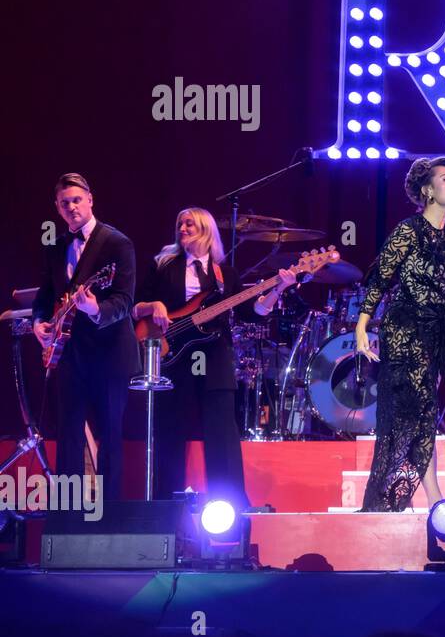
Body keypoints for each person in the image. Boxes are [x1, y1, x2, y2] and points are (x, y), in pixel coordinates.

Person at [354, 157, 445, 511]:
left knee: (414, 417)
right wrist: (361, 326)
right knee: (423, 411)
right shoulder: (409, 230)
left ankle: (389, 498)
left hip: (435, 336)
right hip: (405, 331)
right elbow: (380, 279)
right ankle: (434, 496)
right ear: (428, 191)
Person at [133, 207, 296, 505]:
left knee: (222, 433)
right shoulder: (163, 265)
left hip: (214, 356)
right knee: (169, 430)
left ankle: (231, 503)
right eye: (179, 223)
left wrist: (278, 289)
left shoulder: (225, 274)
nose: (182, 228)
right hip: (173, 357)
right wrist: (152, 305)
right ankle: (164, 505)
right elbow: (134, 307)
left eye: (189, 224)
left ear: (206, 230)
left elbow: (252, 314)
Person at [32, 173, 138, 501]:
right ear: (57, 209)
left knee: (109, 435)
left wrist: (94, 309)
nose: (72, 207)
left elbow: (123, 300)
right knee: (69, 435)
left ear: (90, 200)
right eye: (65, 203)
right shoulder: (57, 246)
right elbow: (45, 294)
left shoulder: (117, 242)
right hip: (70, 352)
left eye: (77, 200)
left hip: (110, 354)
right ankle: (69, 517)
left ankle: (109, 518)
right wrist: (39, 323)